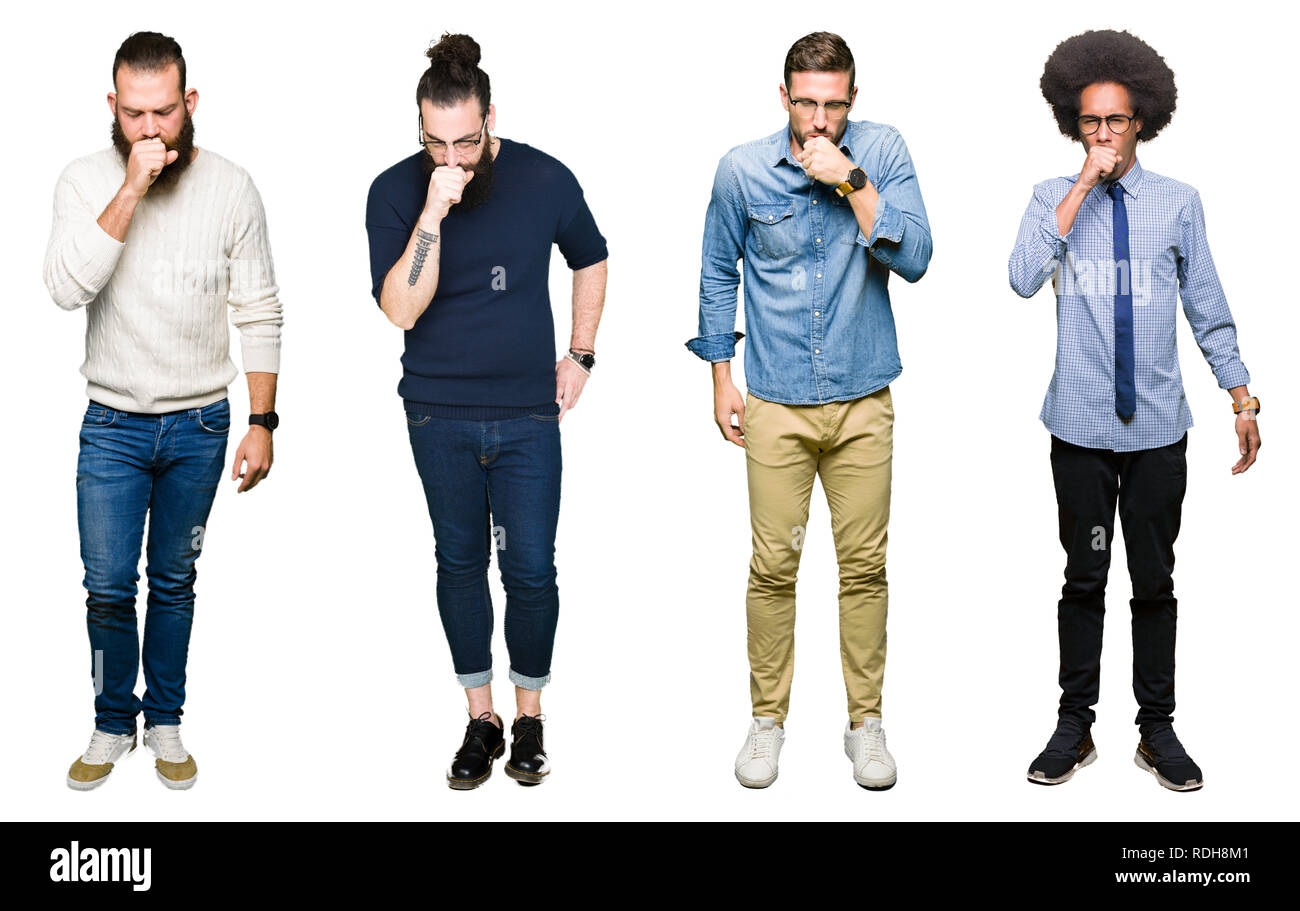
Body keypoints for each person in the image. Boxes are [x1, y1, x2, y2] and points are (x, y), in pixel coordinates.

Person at [1009, 29, 1260, 792]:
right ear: (1073, 123)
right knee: (1084, 576)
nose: (1106, 134)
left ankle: (1157, 729)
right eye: (1091, 122)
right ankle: (1073, 725)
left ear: (1142, 119)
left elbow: (1208, 308)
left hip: (1157, 432)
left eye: (1117, 121)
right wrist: (1081, 185)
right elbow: (1021, 278)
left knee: (1154, 582)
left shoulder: (1178, 204)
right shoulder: (1050, 199)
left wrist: (1242, 394)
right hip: (1079, 431)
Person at [687, 31, 932, 790]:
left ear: (852, 99)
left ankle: (866, 723)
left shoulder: (881, 153)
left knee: (864, 568)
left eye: (833, 104)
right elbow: (715, 271)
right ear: (784, 97)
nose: (819, 120)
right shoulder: (743, 169)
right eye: (806, 103)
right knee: (773, 566)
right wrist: (721, 378)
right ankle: (767, 721)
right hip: (777, 404)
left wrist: (852, 180)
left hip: (863, 401)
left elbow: (917, 257)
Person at [365, 33, 608, 790]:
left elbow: (592, 254)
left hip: (529, 414)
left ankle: (530, 715)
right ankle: (482, 718)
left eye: (464, 143)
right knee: (460, 563)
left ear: (489, 119)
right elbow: (402, 309)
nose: (451, 158)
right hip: (437, 415)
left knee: (532, 567)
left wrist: (581, 353)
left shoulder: (542, 177)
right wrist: (434, 213)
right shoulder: (397, 191)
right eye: (434, 142)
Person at [46, 32, 283, 791]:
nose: (152, 130)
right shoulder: (86, 181)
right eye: (136, 114)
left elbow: (260, 310)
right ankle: (114, 722)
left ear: (190, 104)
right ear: (113, 108)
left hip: (201, 426)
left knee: (175, 579)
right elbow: (65, 288)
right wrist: (131, 190)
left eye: (165, 113)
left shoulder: (232, 186)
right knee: (109, 584)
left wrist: (262, 419)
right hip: (112, 425)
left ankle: (167, 719)